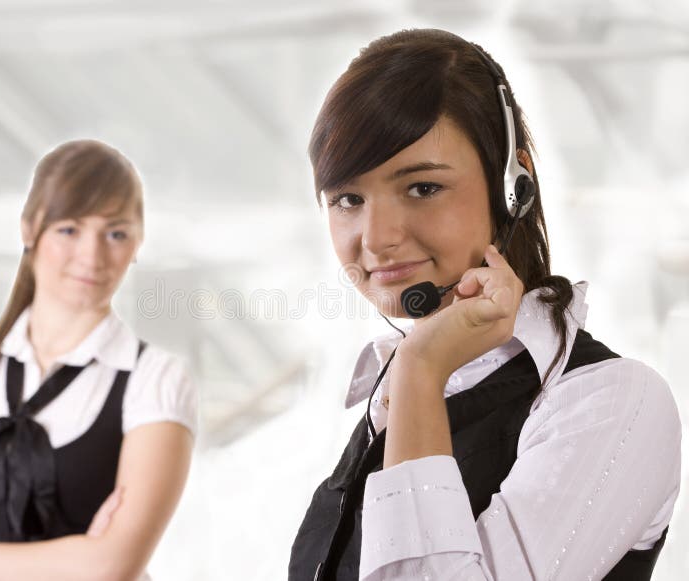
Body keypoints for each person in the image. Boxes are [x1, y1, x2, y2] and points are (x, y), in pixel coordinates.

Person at [289, 29, 681, 581]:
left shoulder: (612, 402)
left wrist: (421, 369)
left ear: (512, 185)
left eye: (422, 188)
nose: (376, 238)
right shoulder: (392, 397)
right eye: (348, 199)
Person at [0, 140, 197, 581]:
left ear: (137, 243)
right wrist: (71, 560)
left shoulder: (155, 381)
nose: (91, 256)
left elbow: (109, 566)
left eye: (115, 234)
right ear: (30, 229)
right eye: (69, 230)